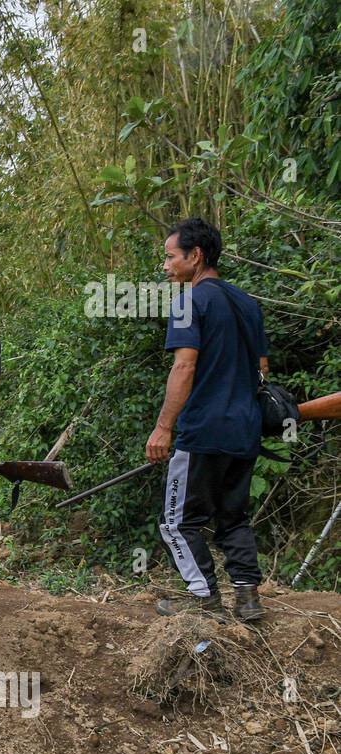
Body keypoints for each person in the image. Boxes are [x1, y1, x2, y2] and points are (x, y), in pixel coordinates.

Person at [147, 217, 267, 621]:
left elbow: (184, 367)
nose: (165, 266)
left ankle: (204, 599)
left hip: (202, 431)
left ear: (195, 256)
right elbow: (262, 368)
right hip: (245, 429)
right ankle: (247, 598)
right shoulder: (247, 303)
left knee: (176, 523)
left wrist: (163, 428)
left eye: (170, 257)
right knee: (234, 517)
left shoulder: (187, 302)